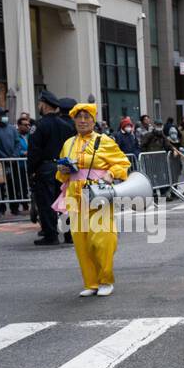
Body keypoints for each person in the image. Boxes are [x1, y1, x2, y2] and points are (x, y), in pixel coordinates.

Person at [53, 103, 130, 297]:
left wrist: (111, 174)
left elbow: (122, 162)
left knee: (103, 239)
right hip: (75, 197)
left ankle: (106, 279)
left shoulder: (104, 141)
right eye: (79, 117)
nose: (82, 121)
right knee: (82, 242)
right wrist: (62, 171)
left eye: (87, 117)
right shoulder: (68, 143)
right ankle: (91, 282)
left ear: (93, 120)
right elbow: (62, 174)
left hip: (98, 195)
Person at [27, 90, 76, 245]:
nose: (38, 106)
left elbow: (34, 151)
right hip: (64, 166)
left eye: (40, 103)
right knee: (65, 202)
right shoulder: (67, 125)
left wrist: (31, 170)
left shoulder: (39, 126)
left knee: (47, 203)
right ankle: (69, 235)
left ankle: (51, 235)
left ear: (44, 105)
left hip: (46, 168)